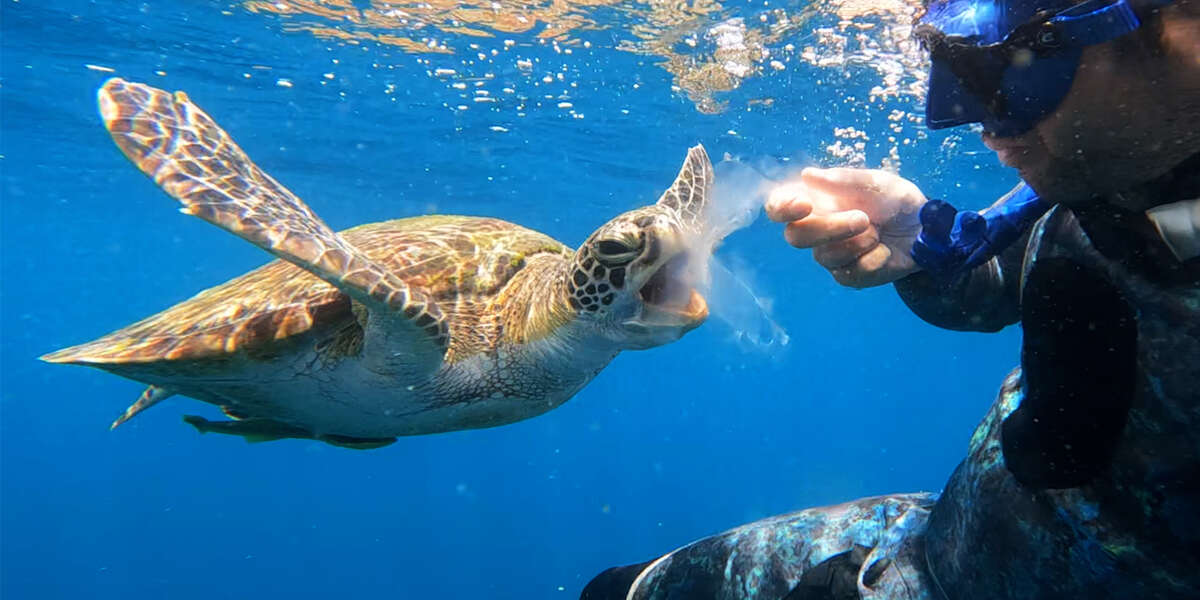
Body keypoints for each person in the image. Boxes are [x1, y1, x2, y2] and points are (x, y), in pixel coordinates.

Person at [582, 0, 1199, 597]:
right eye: (956, 72)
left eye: (1006, 66)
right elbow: (993, 295)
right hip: (937, 545)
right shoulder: (1104, 179)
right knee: (616, 590)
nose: (964, 117)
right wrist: (922, 248)